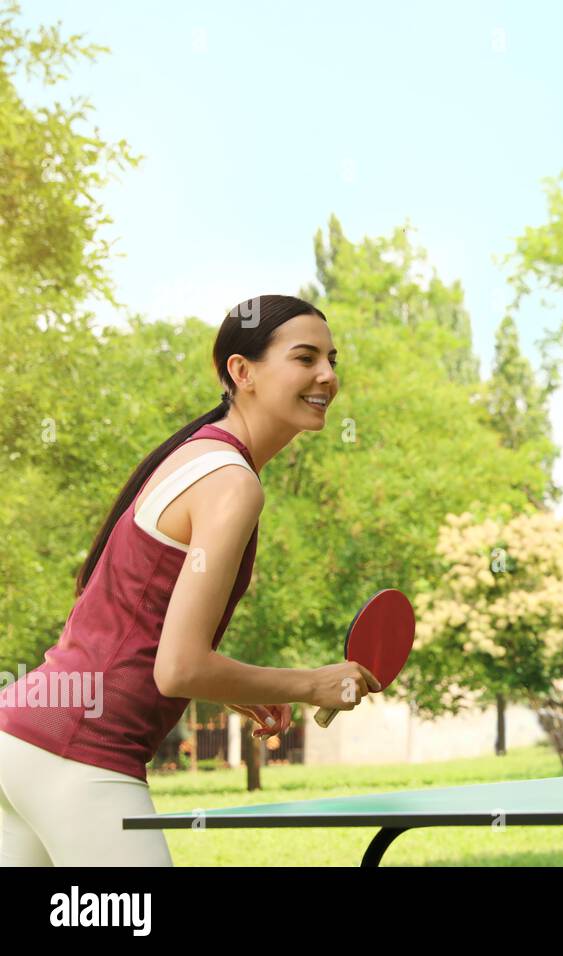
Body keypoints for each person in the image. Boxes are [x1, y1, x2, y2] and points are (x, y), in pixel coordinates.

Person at [0, 295, 380, 866]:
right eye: (305, 358)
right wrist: (312, 683)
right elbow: (177, 667)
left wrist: (241, 690)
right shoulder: (232, 483)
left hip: (20, 742)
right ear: (241, 371)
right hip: (79, 754)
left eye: (331, 359)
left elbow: (143, 631)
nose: (327, 375)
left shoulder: (197, 455)